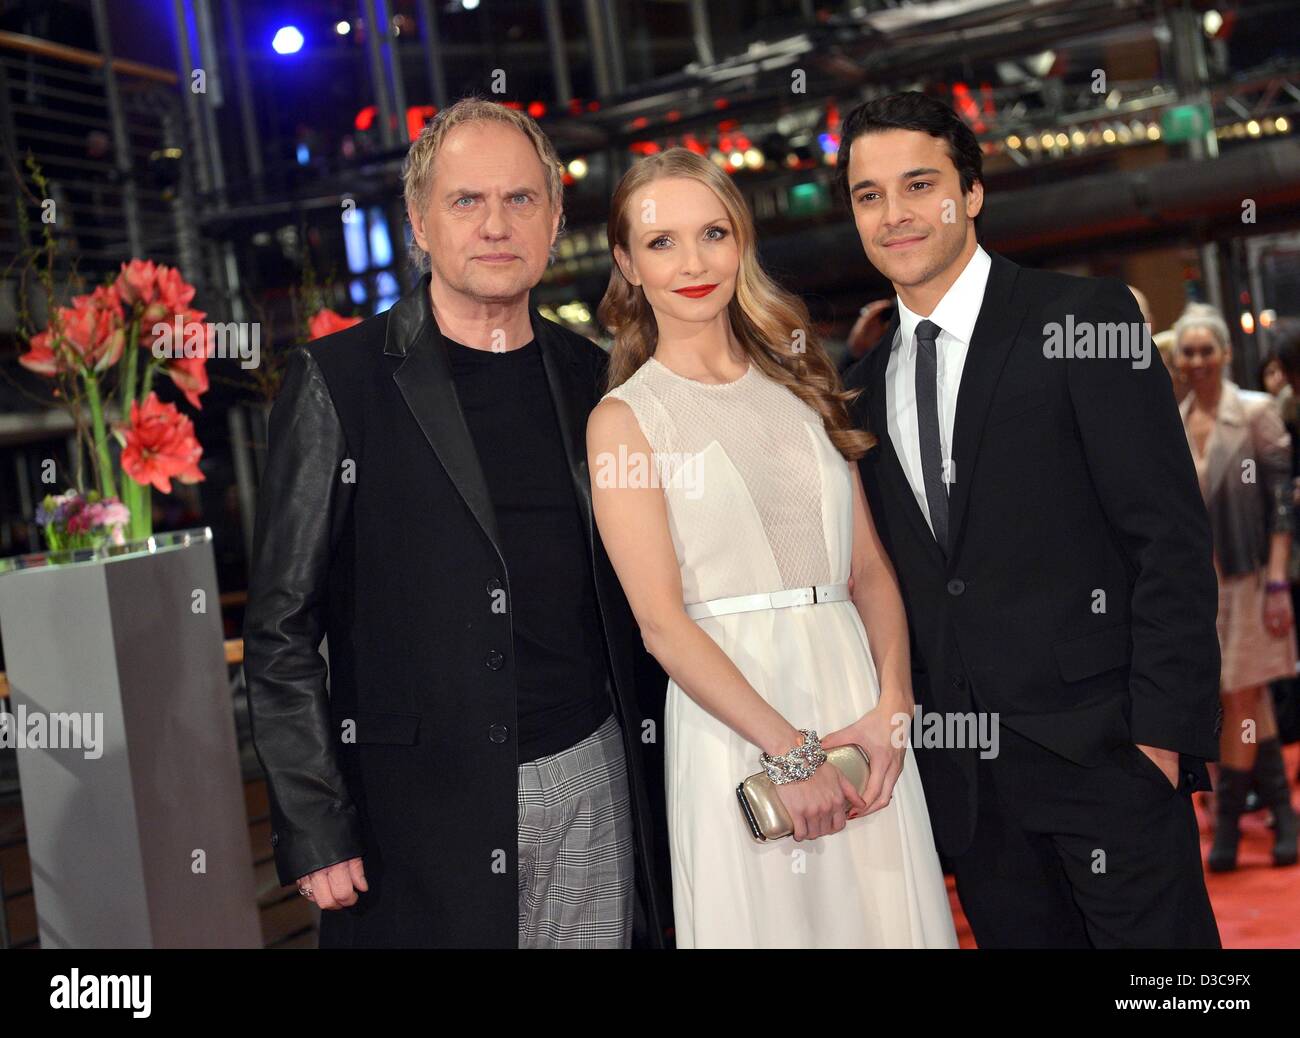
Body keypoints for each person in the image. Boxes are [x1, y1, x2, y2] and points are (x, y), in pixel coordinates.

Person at [242, 98, 668, 948]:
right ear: (420, 223)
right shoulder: (339, 379)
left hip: (594, 775)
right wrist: (315, 823)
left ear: (553, 220)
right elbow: (281, 628)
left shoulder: (599, 380)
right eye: (466, 201)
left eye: (520, 200)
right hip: (417, 813)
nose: (495, 224)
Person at [840, 91, 1222, 948]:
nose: (894, 214)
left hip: (1110, 757)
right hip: (972, 795)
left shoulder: (1081, 320)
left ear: (970, 194)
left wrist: (1160, 739)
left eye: (918, 185)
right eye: (869, 195)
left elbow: (1168, 537)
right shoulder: (854, 384)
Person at [586, 147, 957, 948]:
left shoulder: (801, 380)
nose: (693, 262)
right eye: (662, 243)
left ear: (741, 241)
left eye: (713, 233)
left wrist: (894, 708)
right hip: (739, 727)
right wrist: (791, 755)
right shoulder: (625, 419)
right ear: (626, 263)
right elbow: (661, 625)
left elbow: (869, 573)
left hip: (859, 710)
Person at [1175, 302, 1299, 870]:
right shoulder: (1172, 421)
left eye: (1207, 349)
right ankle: (1285, 816)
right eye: (1188, 350)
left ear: (1226, 354)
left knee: (1236, 694)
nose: (1197, 360)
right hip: (1202, 586)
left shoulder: (1255, 413)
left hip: (1251, 577)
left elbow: (1281, 503)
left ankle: (1225, 828)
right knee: (1250, 698)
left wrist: (1278, 579)